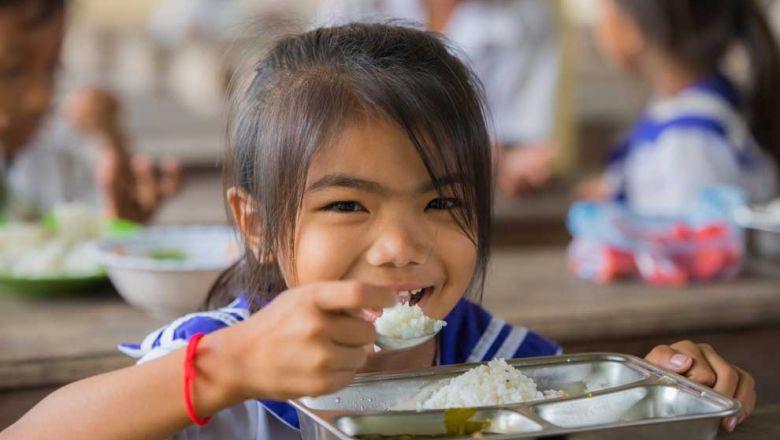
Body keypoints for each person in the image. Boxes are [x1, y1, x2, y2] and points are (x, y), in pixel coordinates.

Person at [2, 23, 754, 439]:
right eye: (348, 206)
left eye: (442, 202)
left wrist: (673, 393)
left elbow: (596, 414)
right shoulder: (221, 358)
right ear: (257, 224)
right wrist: (221, 371)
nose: (401, 245)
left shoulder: (503, 369)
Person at [315, 0, 564, 196]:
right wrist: (484, 157)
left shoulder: (529, 18)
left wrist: (520, 164)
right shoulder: (355, 5)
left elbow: (523, 134)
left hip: (473, 198)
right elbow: (317, 109)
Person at [578, 0, 779, 216]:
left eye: (603, 11)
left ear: (630, 30)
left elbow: (693, 241)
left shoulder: (690, 141)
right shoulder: (691, 109)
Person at [0, 0, 179, 223]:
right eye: (13, 70)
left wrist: (121, 221)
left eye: (53, 67)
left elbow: (94, 229)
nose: (41, 98)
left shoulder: (57, 150)